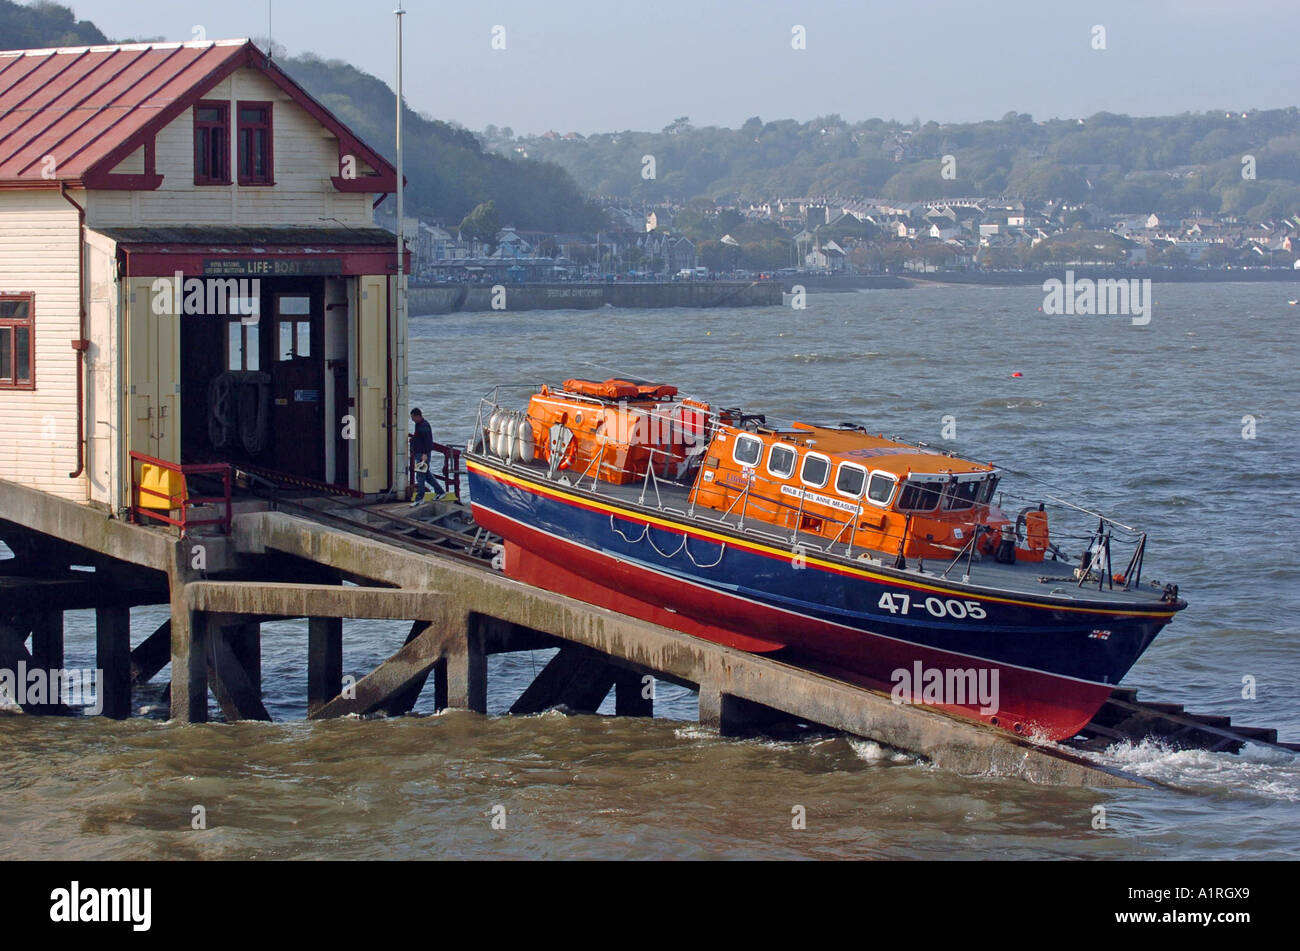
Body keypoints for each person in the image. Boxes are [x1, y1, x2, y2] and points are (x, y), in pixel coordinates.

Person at [408, 408, 445, 505]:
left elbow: (428, 441)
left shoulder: (424, 426)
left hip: (422, 454)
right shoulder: (419, 424)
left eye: (413, 417)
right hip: (419, 453)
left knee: (420, 476)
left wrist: (425, 454)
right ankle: (440, 492)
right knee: (427, 475)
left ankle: (420, 498)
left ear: (418, 416)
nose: (412, 420)